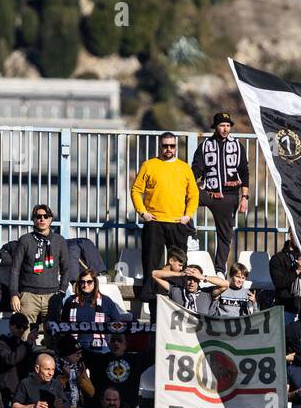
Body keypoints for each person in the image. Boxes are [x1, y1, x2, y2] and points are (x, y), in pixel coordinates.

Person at [131, 131, 199, 309]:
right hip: (154, 220)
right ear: (160, 146)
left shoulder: (184, 168)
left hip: (177, 222)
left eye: (172, 146)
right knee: (151, 259)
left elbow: (194, 194)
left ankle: (178, 291)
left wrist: (188, 215)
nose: (168, 149)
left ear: (176, 147)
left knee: (178, 262)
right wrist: (143, 212)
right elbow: (136, 190)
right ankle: (149, 295)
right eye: (165, 146)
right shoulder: (149, 165)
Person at [192, 112, 249, 272]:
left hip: (229, 196)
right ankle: (190, 236)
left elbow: (244, 172)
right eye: (222, 125)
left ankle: (219, 269)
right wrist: (190, 186)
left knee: (225, 235)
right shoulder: (205, 145)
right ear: (215, 127)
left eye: (227, 125)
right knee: (181, 202)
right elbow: (196, 169)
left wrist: (244, 197)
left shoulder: (238, 146)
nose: (225, 129)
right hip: (208, 192)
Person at [8, 204, 71, 329]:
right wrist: (14, 294)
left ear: (51, 219)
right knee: (24, 334)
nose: (42, 219)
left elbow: (66, 268)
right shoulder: (25, 240)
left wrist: (62, 292)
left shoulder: (59, 241)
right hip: (28, 295)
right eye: (38, 216)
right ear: (34, 219)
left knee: (53, 336)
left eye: (45, 216)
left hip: (52, 296)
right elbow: (15, 269)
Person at [55, 269, 128, 353]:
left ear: (95, 283)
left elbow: (117, 322)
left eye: (89, 282)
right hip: (76, 346)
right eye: (82, 282)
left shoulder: (105, 301)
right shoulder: (70, 301)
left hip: (100, 346)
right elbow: (64, 324)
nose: (85, 285)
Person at [269, 234, 301, 321]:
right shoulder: (277, 258)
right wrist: (297, 271)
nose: (300, 237)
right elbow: (279, 282)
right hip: (286, 308)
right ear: (290, 236)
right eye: (297, 234)